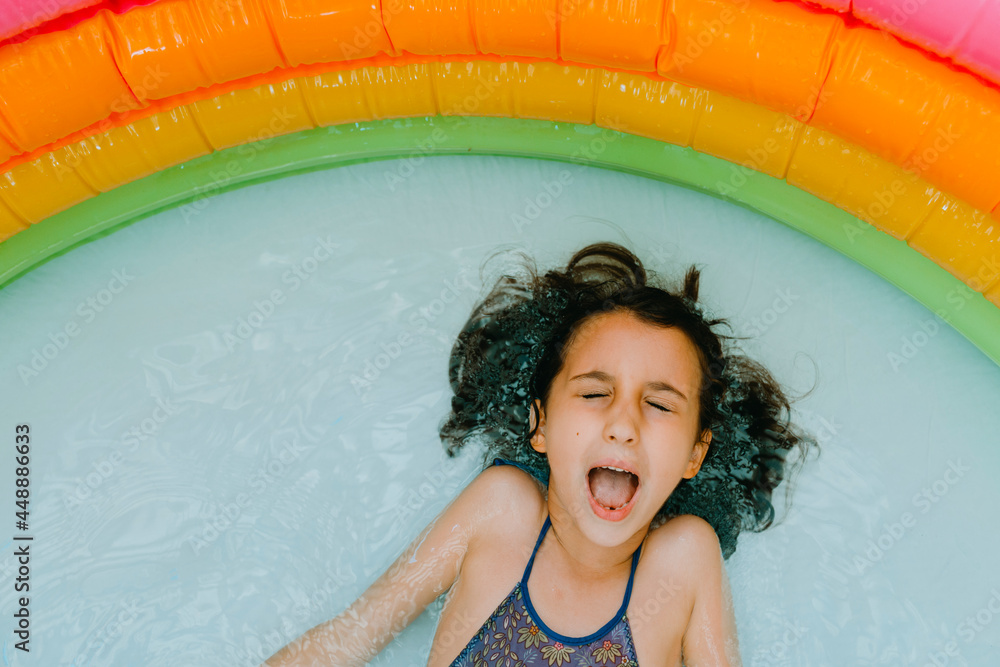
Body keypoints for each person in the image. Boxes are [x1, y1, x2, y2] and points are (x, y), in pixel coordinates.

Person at [262, 242, 817, 666]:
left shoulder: (680, 564)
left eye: (659, 405)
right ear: (541, 424)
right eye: (596, 394)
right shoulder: (501, 517)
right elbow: (350, 636)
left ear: (696, 455)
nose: (623, 424)